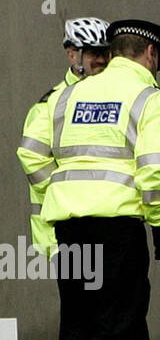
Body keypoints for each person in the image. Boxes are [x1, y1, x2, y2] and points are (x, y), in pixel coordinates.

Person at [34, 19, 160, 340]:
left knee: (79, 314)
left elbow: (37, 154)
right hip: (117, 225)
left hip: (68, 223)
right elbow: (154, 169)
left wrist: (63, 194)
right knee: (116, 320)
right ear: (151, 54)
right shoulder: (152, 100)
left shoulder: (68, 96)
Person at [19, 17, 111, 259]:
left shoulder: (113, 96)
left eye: (105, 52)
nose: (101, 59)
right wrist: (68, 192)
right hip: (63, 233)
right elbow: (30, 156)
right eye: (92, 52)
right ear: (72, 55)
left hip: (105, 224)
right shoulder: (52, 103)